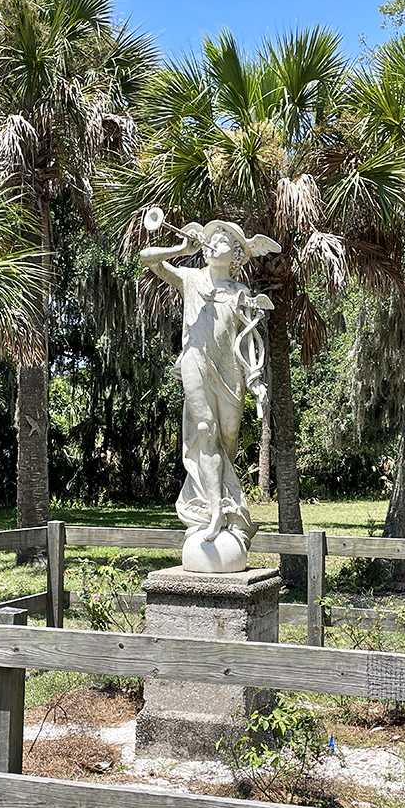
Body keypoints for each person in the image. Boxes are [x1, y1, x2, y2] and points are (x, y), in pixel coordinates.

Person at [140, 217, 280, 558]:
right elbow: (147, 258)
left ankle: (222, 500)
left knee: (226, 441)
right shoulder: (190, 279)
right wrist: (180, 248)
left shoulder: (240, 293)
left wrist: (255, 380)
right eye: (211, 238)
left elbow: (249, 340)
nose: (213, 242)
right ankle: (216, 509)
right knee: (205, 430)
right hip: (195, 361)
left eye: (222, 239)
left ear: (236, 253)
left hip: (229, 372)